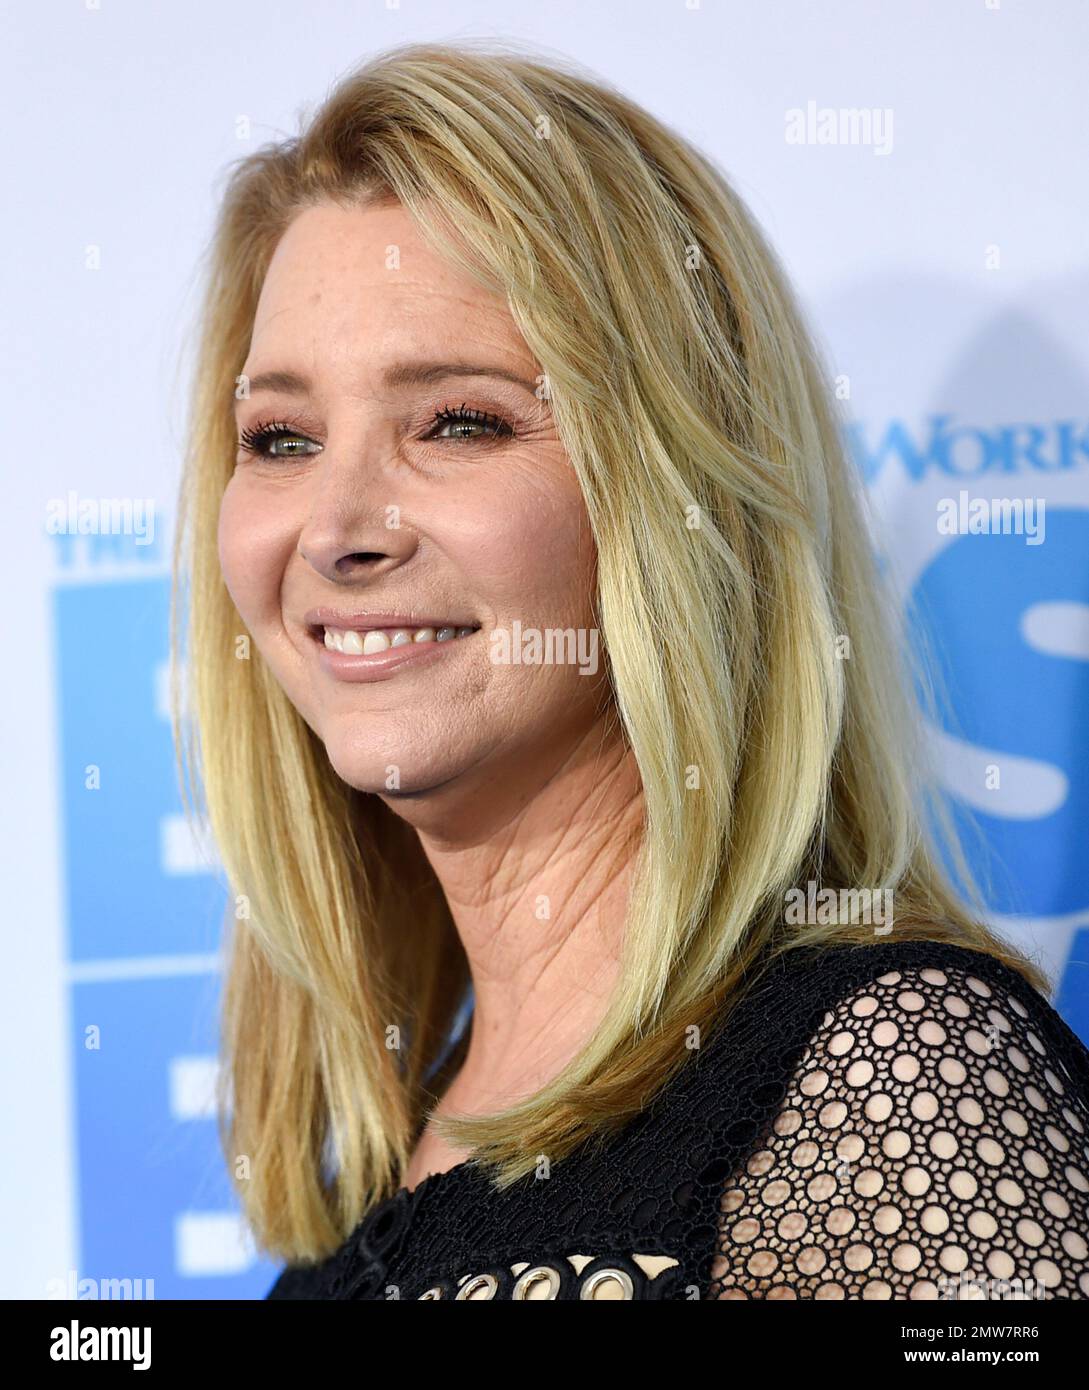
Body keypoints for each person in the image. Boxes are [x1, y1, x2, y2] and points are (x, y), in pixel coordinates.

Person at [172, 39, 1089, 1300]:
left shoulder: (883, 1079)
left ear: (675, 498)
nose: (335, 528)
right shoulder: (353, 1220)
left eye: (459, 420)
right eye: (280, 437)